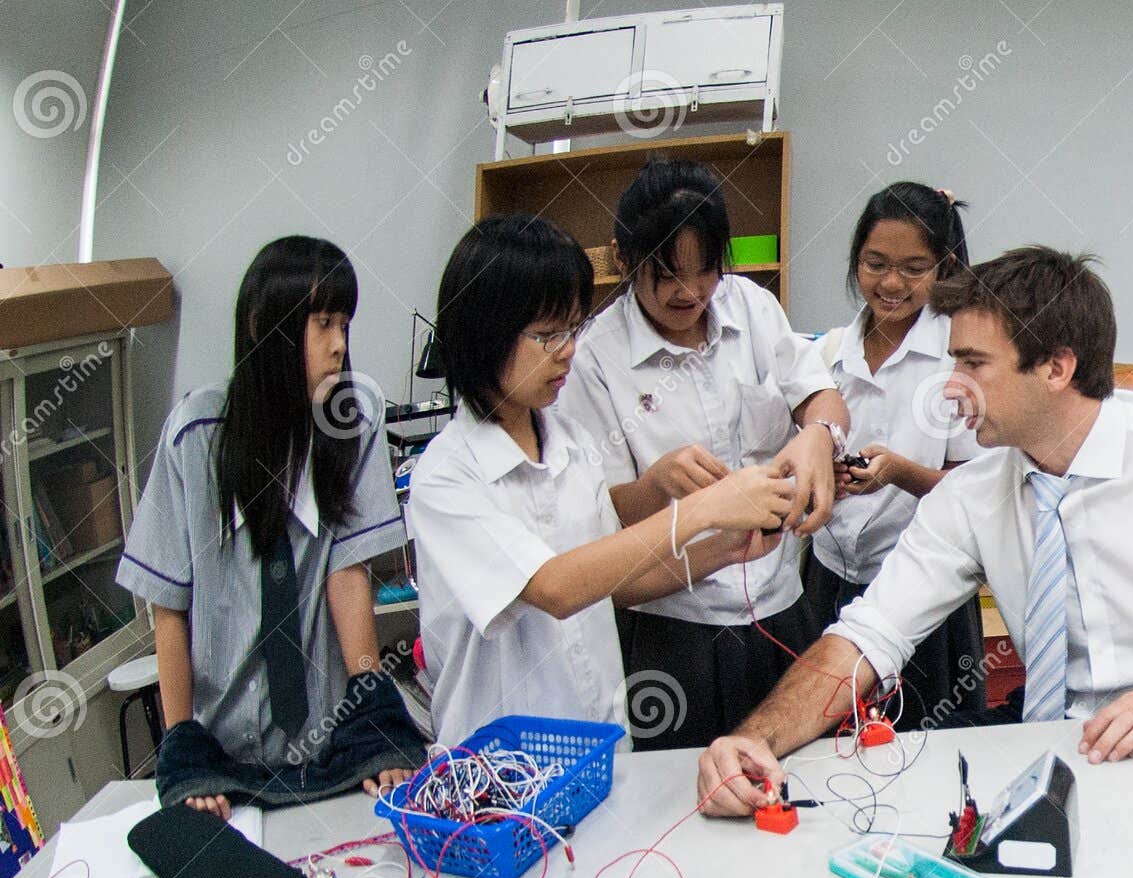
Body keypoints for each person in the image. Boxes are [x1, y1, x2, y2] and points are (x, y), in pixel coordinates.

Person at [695, 246, 1133, 815]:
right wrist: (760, 735)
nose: (951, 388)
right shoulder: (975, 495)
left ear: (1056, 367)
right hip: (1058, 745)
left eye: (973, 364)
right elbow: (869, 635)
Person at [406, 215, 794, 747]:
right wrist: (705, 509)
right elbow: (557, 588)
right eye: (546, 335)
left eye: (571, 328)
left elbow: (620, 582)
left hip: (600, 743)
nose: (567, 350)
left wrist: (727, 551)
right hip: (498, 761)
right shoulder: (446, 476)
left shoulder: (573, 443)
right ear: (484, 334)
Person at [117, 236, 426, 820]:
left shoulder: (351, 429)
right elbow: (169, 608)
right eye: (323, 324)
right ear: (263, 326)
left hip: (328, 747)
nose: (339, 346)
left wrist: (370, 722)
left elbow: (347, 573)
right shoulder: (195, 437)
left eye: (345, 325)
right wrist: (183, 746)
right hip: (224, 756)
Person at [559, 158, 848, 751]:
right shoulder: (593, 360)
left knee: (798, 786)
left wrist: (818, 433)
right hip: (673, 629)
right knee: (681, 804)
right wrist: (659, 482)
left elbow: (820, 395)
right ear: (623, 258)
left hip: (780, 608)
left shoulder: (751, 308)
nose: (690, 292)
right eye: (667, 273)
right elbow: (604, 520)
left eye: (707, 270)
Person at [807, 181, 984, 719]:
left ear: (943, 266)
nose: (890, 283)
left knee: (927, 743)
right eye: (874, 263)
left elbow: (977, 496)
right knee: (832, 738)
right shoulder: (829, 352)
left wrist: (900, 472)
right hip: (827, 577)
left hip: (926, 592)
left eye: (913, 268)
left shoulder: (958, 358)